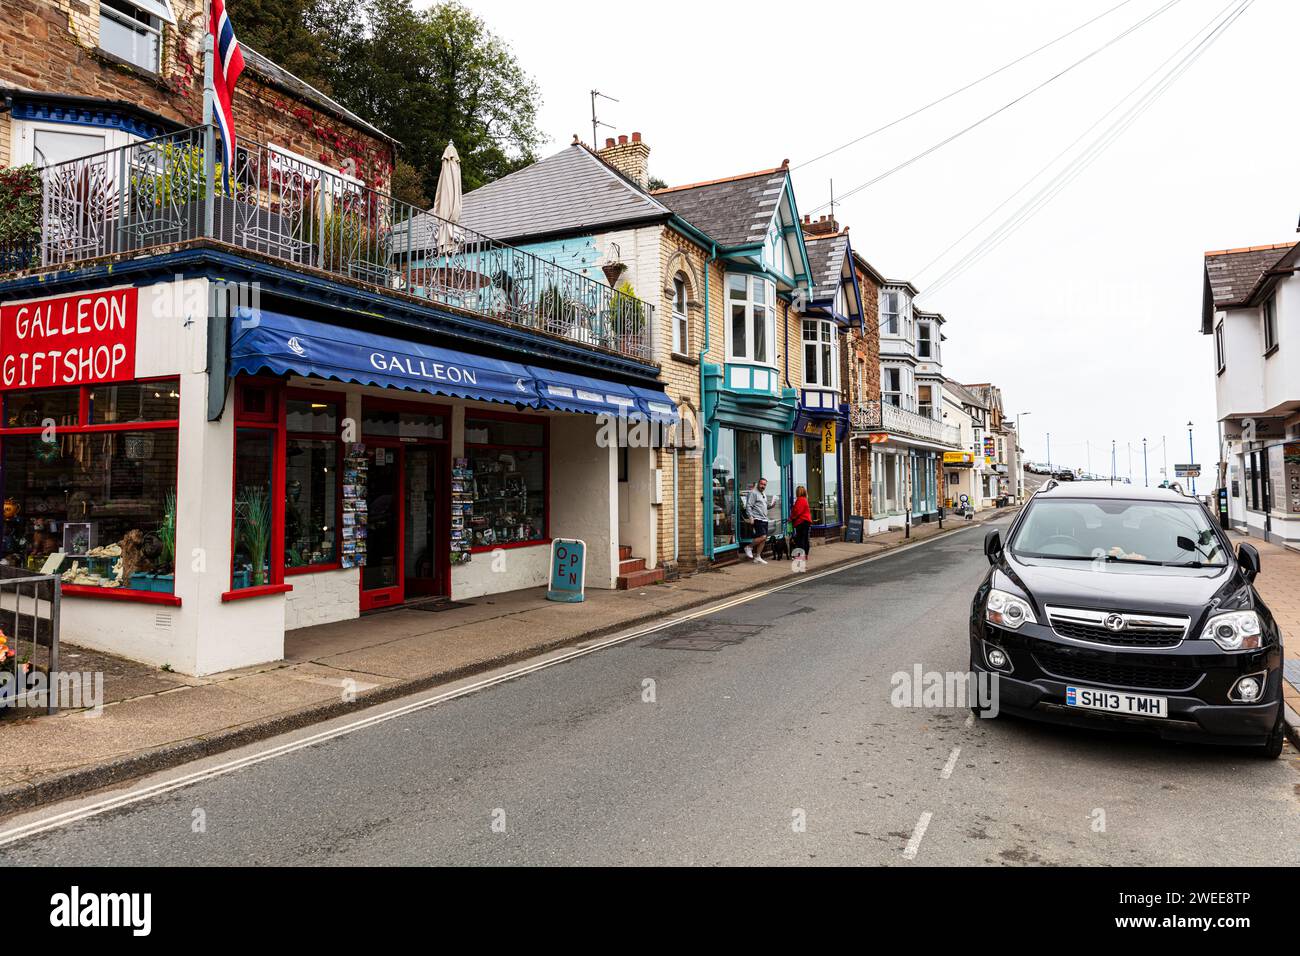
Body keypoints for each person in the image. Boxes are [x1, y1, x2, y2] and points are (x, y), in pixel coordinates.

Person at [742, 477, 774, 564]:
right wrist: (751, 517)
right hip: (757, 518)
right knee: (762, 536)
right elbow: (748, 506)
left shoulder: (763, 493)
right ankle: (748, 547)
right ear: (758, 483)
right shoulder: (753, 493)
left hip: (764, 518)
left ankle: (758, 557)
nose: (763, 486)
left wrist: (771, 506)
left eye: (764, 485)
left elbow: (763, 505)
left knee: (764, 539)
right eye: (762, 484)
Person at [791, 485, 812, 557]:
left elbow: (797, 512)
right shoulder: (805, 499)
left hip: (801, 522)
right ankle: (805, 554)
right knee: (805, 538)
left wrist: (791, 518)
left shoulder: (800, 500)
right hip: (806, 522)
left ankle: (801, 555)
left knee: (800, 539)